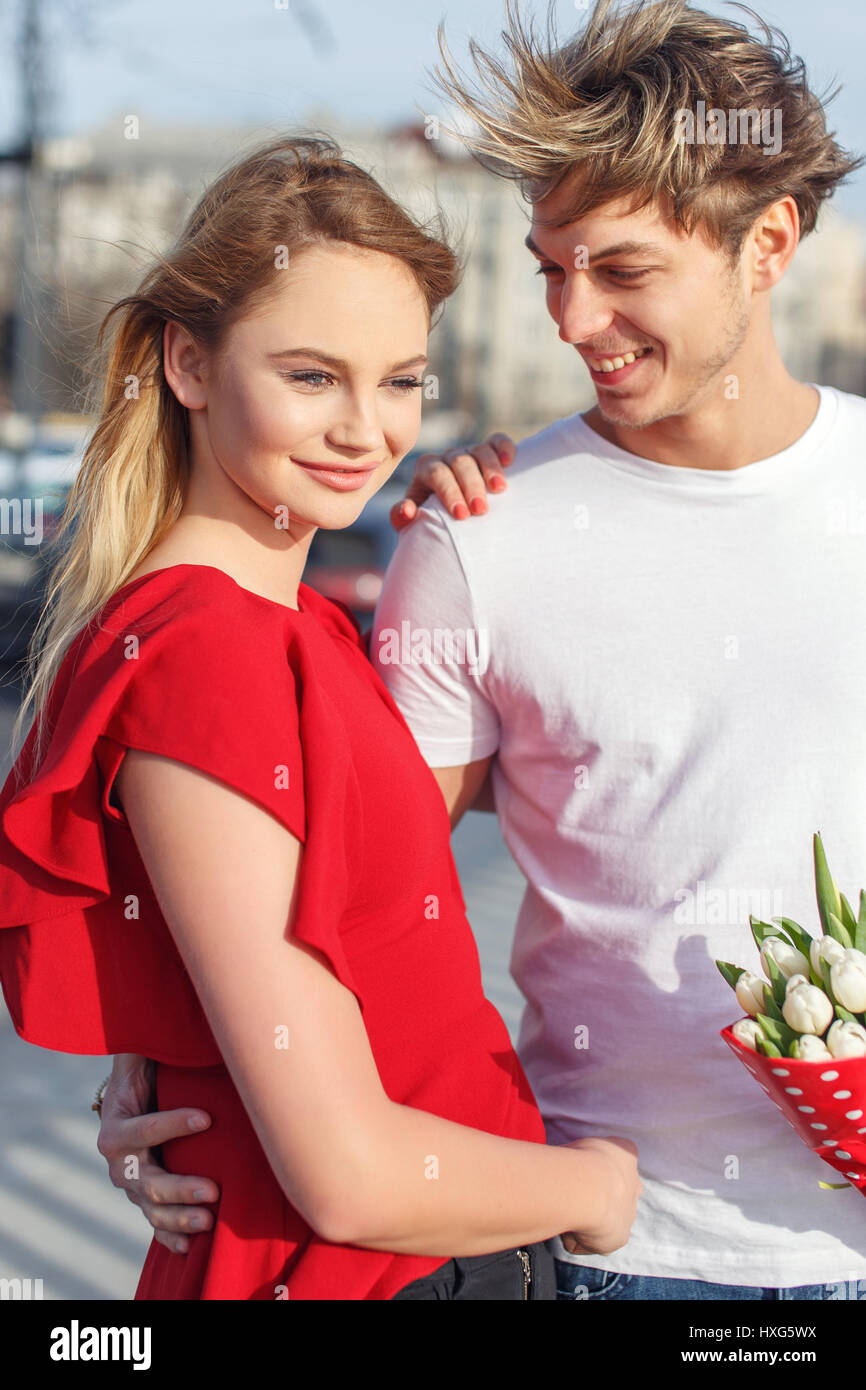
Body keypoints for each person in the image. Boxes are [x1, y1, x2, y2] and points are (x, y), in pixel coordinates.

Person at [104, 0, 866, 1301]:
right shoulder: (478, 538)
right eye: (548, 265)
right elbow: (342, 899)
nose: (573, 317)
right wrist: (172, 1065)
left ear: (768, 242)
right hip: (626, 1256)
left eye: (621, 271)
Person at [0, 133, 641, 1302]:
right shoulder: (211, 655)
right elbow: (344, 1173)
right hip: (376, 1267)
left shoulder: (275, 633)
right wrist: (599, 1187)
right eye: (310, 376)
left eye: (398, 380)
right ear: (187, 366)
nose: (366, 430)